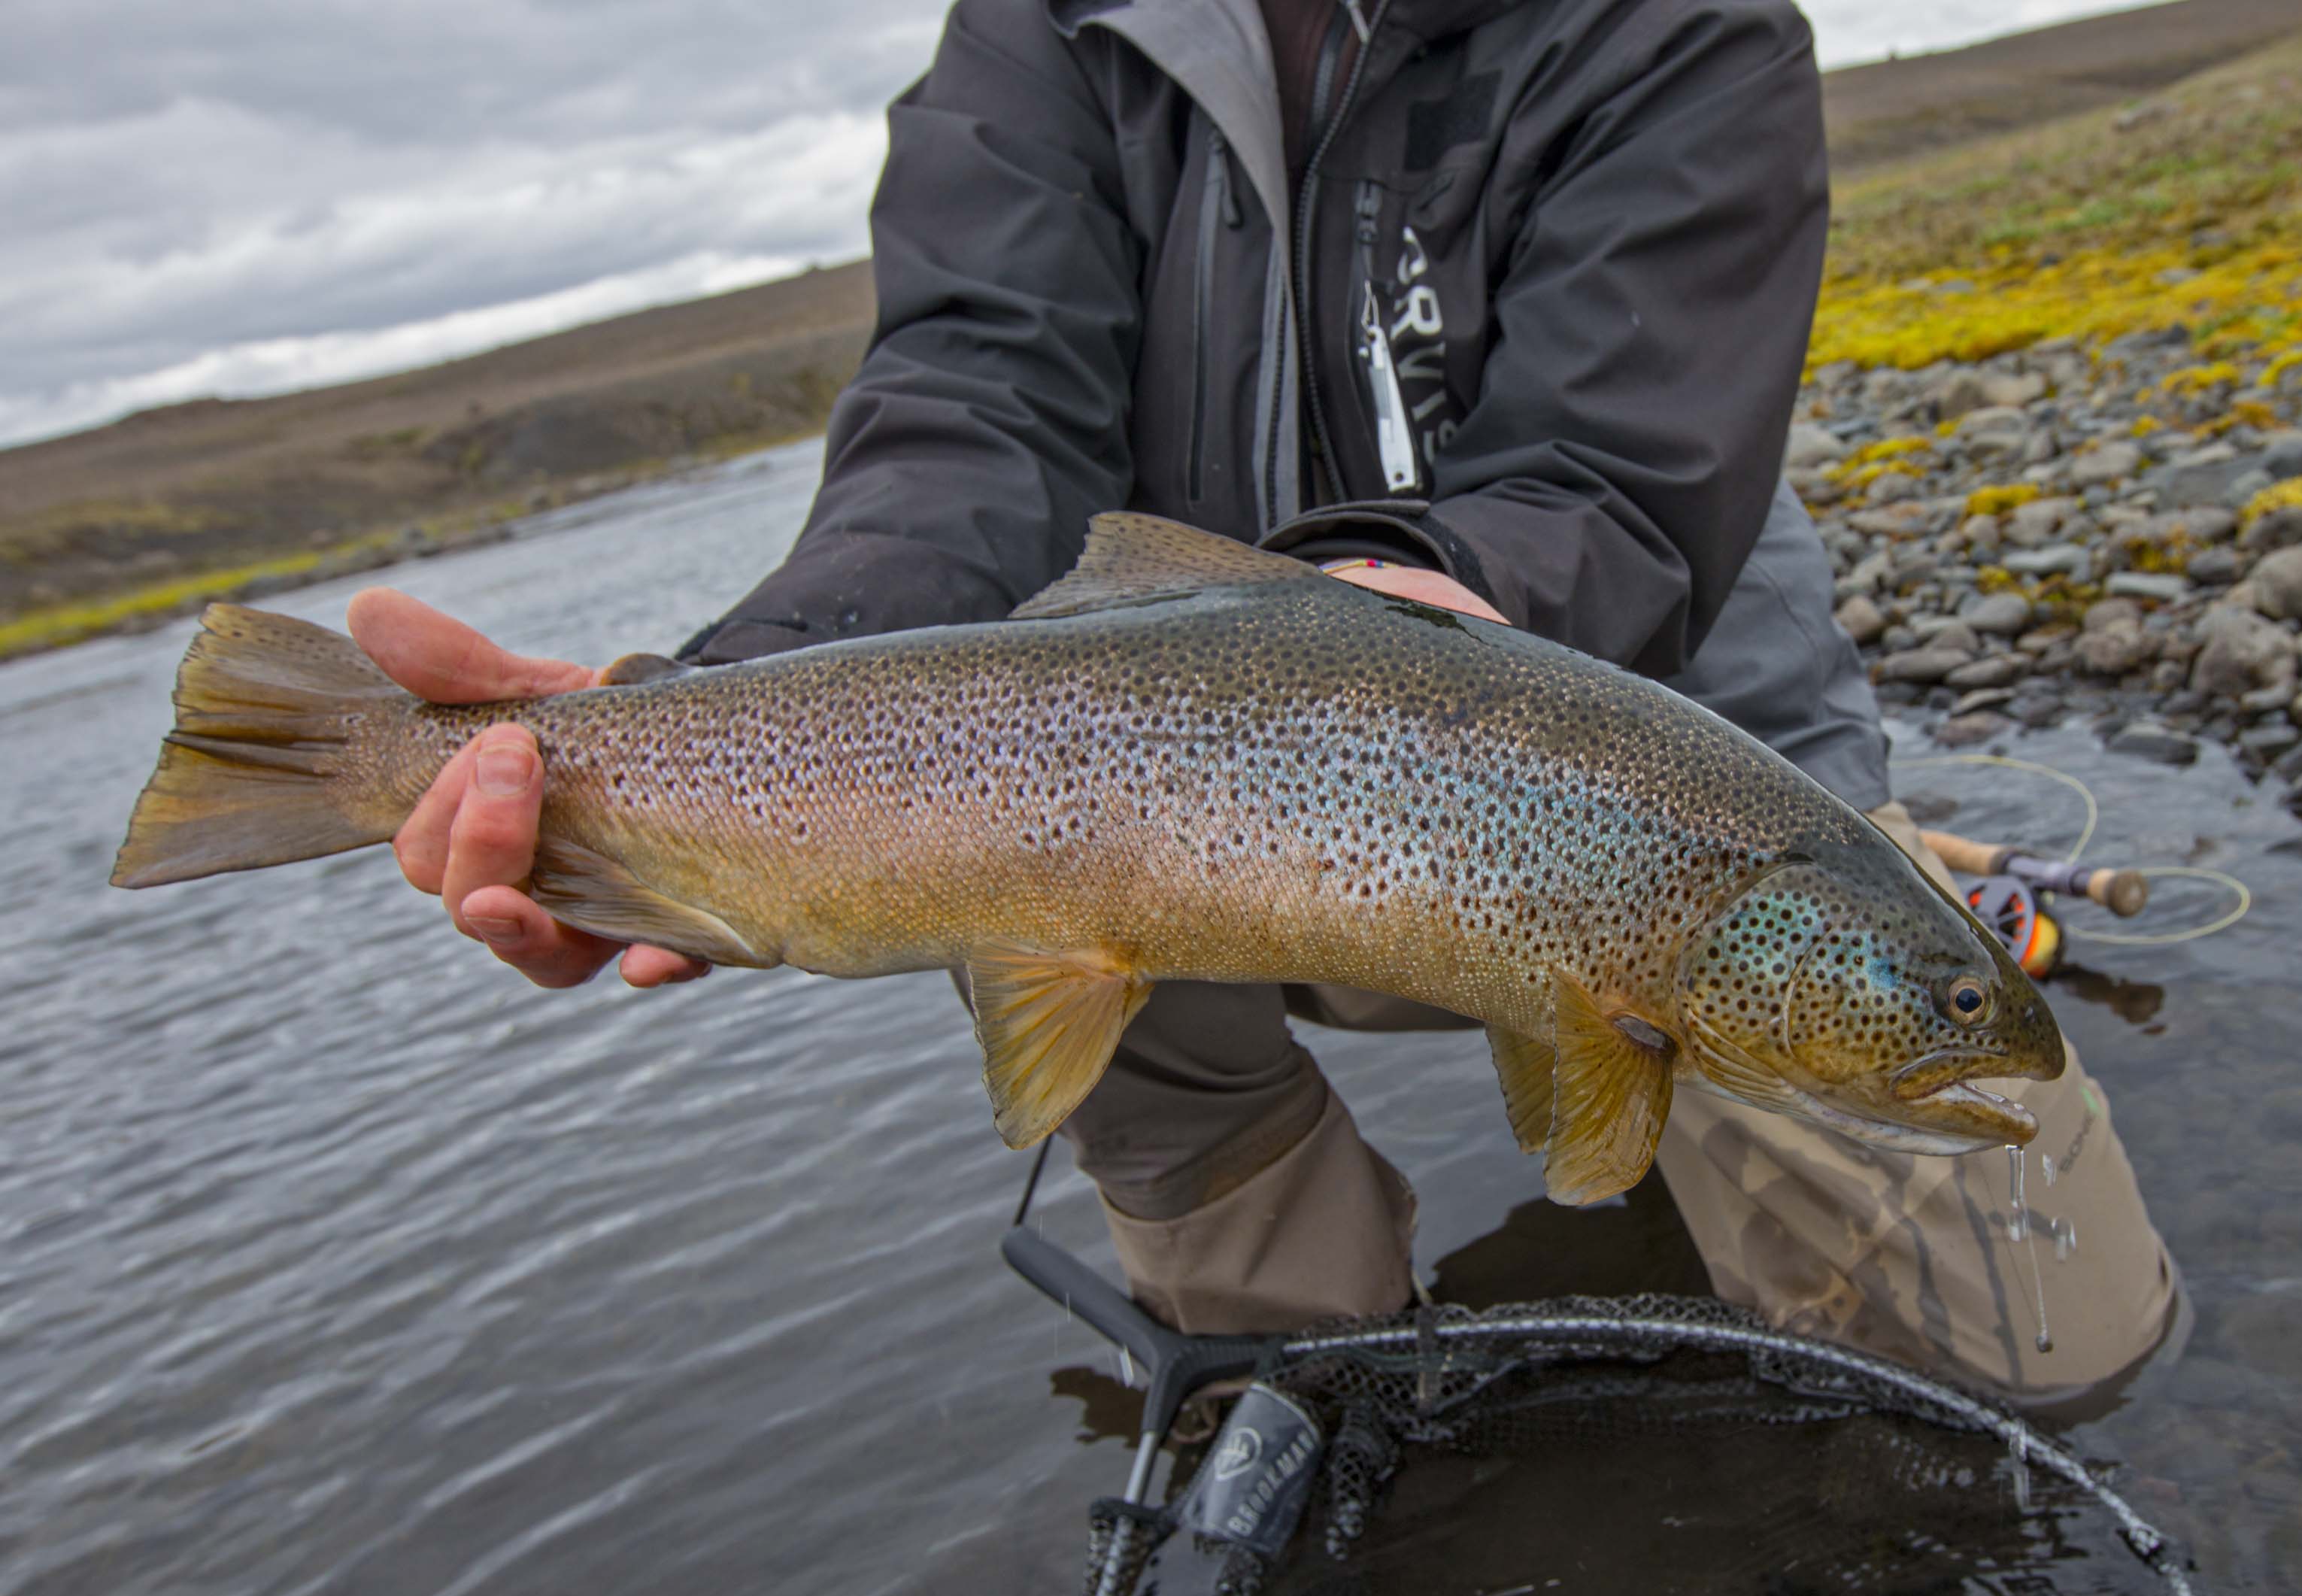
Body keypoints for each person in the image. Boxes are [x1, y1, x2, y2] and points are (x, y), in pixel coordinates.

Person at [350, 0, 2179, 1403]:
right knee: (1097, 994)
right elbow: (973, 417)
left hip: (1658, 746)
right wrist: (732, 706)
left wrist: (1391, 615)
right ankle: (1321, 1383)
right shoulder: (1045, 33)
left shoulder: (1676, 21)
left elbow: (1616, 472)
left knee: (2059, 1358)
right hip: (1157, 788)